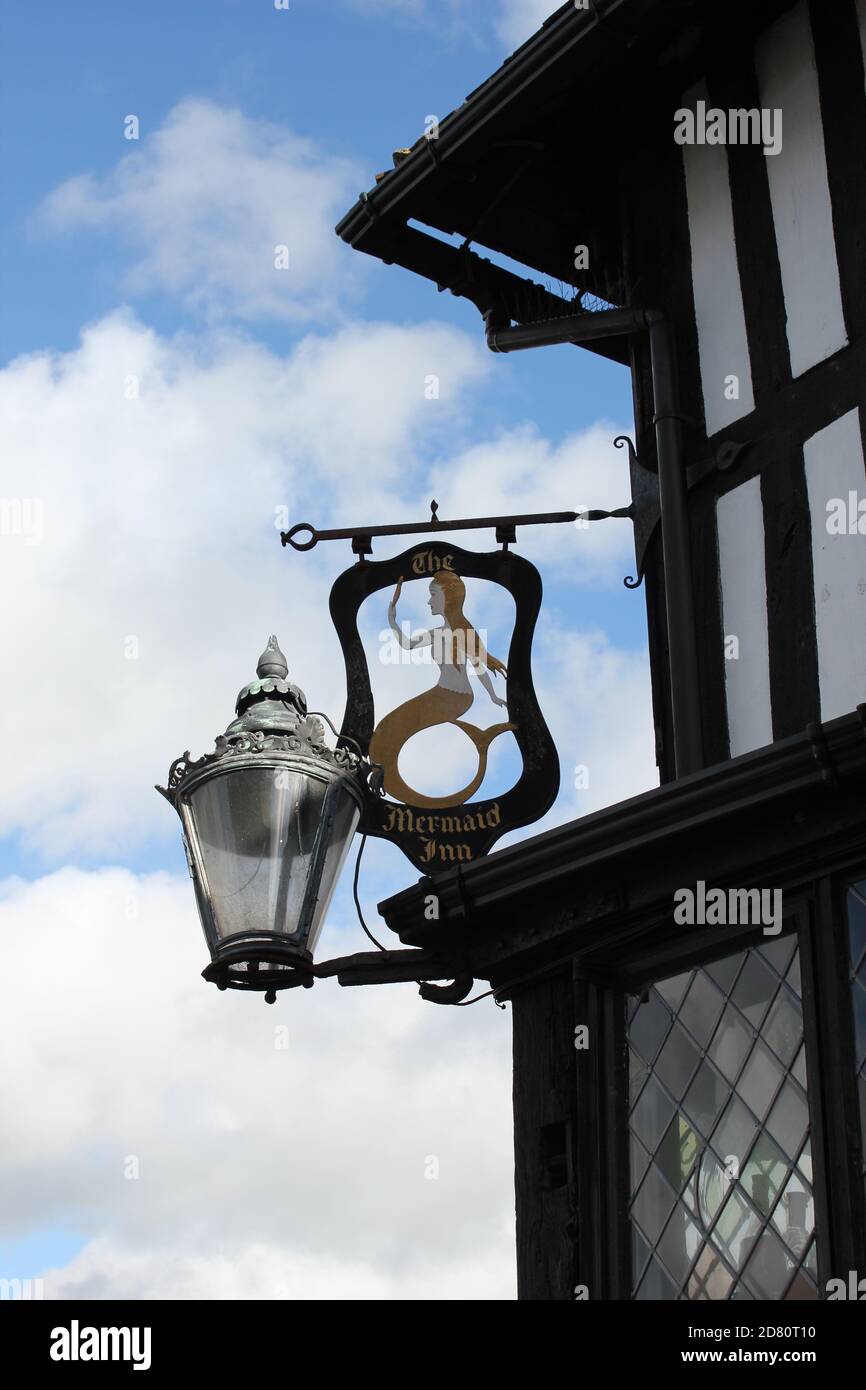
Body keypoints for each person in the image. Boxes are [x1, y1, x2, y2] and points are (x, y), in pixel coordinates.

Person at [368, 570, 516, 807]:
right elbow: (407, 644)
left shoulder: (461, 632)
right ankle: (391, 777)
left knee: (393, 729)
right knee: (390, 730)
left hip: (456, 697)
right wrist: (392, 618)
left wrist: (493, 696)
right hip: (442, 693)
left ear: (448, 597)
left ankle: (479, 745)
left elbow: (479, 666)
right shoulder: (438, 633)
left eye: (433, 595)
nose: (429, 601)